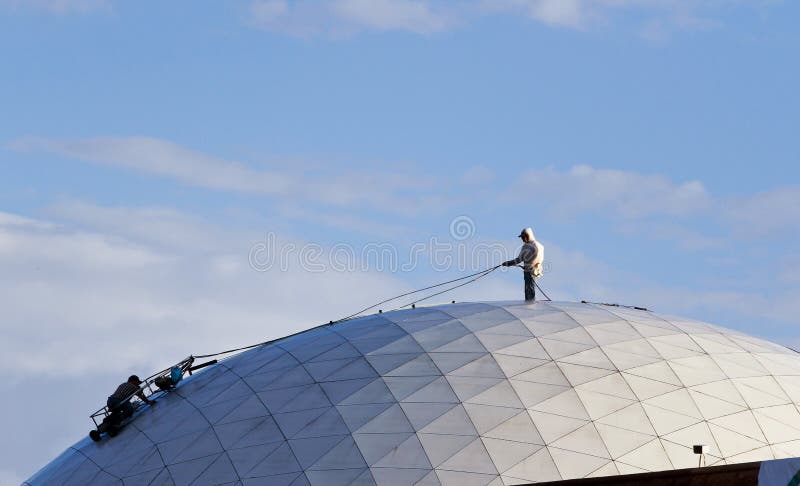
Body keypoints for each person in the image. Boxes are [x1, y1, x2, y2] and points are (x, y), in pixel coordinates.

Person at [502, 227, 545, 301]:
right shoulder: (539, 245)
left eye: (523, 237)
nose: (522, 239)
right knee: (530, 286)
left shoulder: (527, 246)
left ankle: (530, 302)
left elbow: (519, 259)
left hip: (530, 271)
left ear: (528, 236)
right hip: (536, 271)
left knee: (529, 287)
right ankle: (531, 300)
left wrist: (508, 263)